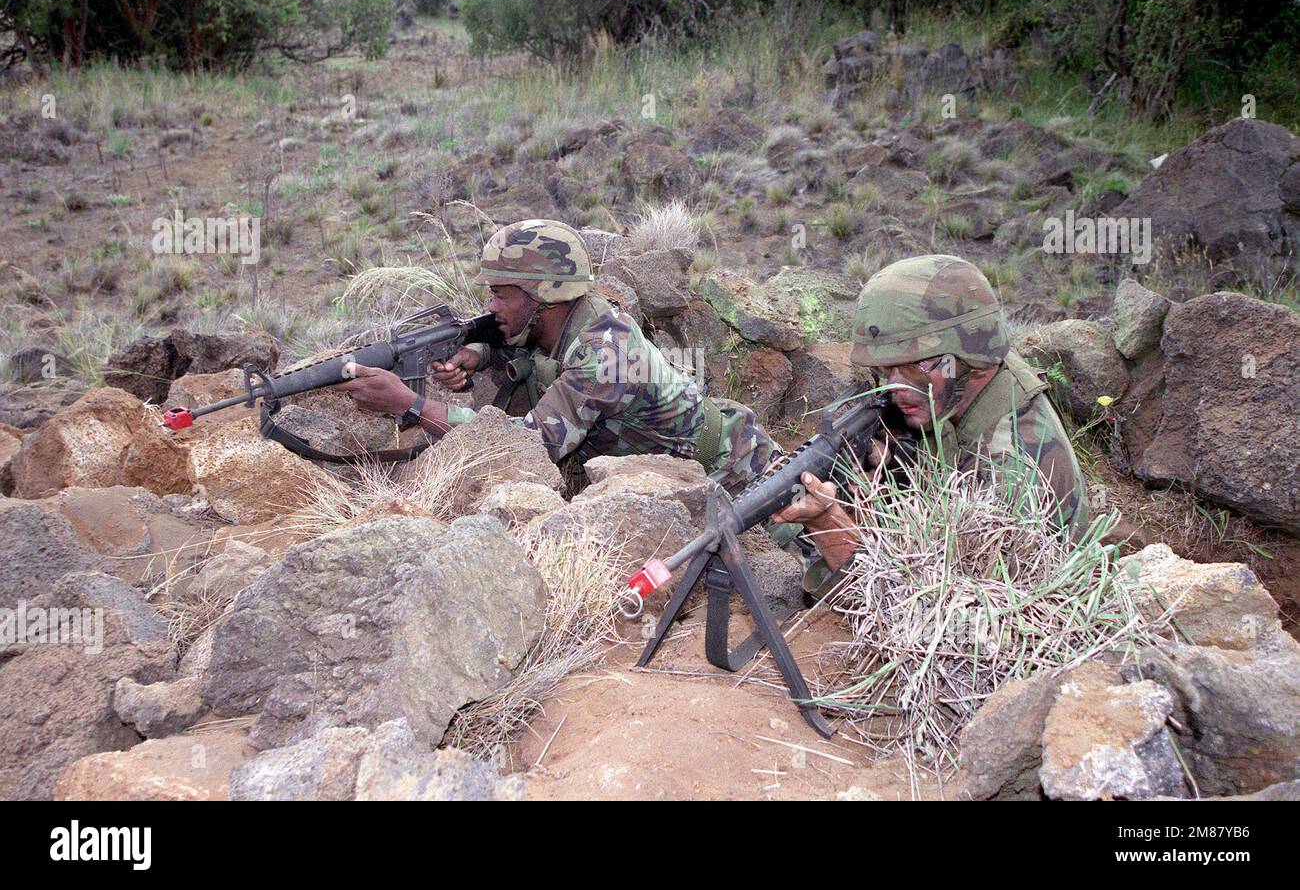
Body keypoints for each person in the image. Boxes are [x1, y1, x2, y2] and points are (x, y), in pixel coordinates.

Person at [333, 218, 777, 492]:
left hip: (733, 472)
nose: (491, 306)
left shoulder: (605, 352)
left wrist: (408, 404)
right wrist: (480, 353)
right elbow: (530, 343)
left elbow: (524, 443)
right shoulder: (571, 316)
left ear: (543, 295)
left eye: (500, 294)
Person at [771, 253, 1090, 596]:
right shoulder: (966, 382)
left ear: (970, 355)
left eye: (912, 367)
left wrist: (828, 524)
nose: (893, 388)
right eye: (883, 369)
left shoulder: (1014, 470)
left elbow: (928, 615)